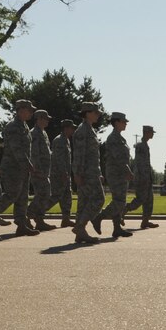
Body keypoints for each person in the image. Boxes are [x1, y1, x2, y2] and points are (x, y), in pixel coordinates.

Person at [0, 99, 38, 236]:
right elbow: (17, 149)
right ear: (21, 110)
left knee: (22, 197)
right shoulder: (12, 127)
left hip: (22, 168)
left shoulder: (24, 126)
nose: (31, 113)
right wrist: (27, 163)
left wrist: (27, 165)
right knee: (10, 195)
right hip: (12, 168)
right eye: (30, 110)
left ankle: (21, 225)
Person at [95, 111, 135, 237]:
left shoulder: (120, 137)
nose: (126, 124)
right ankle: (99, 217)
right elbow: (118, 158)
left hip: (120, 173)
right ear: (116, 122)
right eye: (124, 122)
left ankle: (117, 228)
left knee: (119, 200)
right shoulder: (113, 138)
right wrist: (127, 170)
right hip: (116, 173)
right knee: (119, 201)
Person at [70, 103, 104, 244]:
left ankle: (80, 234)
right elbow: (79, 154)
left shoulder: (90, 129)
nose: (98, 115)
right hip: (86, 173)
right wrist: (77, 173)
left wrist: (99, 172)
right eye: (95, 112)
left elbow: (94, 155)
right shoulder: (82, 130)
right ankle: (80, 226)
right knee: (99, 199)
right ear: (87, 113)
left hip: (91, 171)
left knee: (83, 203)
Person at [26, 110, 57, 231]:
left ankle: (39, 220)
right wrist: (36, 169)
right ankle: (27, 216)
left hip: (44, 171)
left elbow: (46, 152)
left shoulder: (43, 133)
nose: (47, 120)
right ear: (39, 118)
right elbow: (33, 153)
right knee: (42, 194)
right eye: (45, 118)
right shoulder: (34, 133)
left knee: (45, 194)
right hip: (38, 171)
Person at [125, 125, 158, 229]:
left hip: (146, 177)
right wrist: (142, 178)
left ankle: (145, 221)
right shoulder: (140, 145)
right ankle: (123, 210)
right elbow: (139, 163)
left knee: (149, 200)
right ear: (146, 132)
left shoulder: (145, 145)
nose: (152, 134)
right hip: (141, 177)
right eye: (151, 132)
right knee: (140, 199)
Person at [50, 119, 76, 228]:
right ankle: (36, 214)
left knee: (67, 197)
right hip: (59, 174)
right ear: (66, 128)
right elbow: (58, 159)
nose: (73, 130)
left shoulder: (66, 140)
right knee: (55, 197)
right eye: (71, 128)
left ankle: (66, 219)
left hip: (65, 174)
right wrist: (63, 172)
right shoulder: (59, 140)